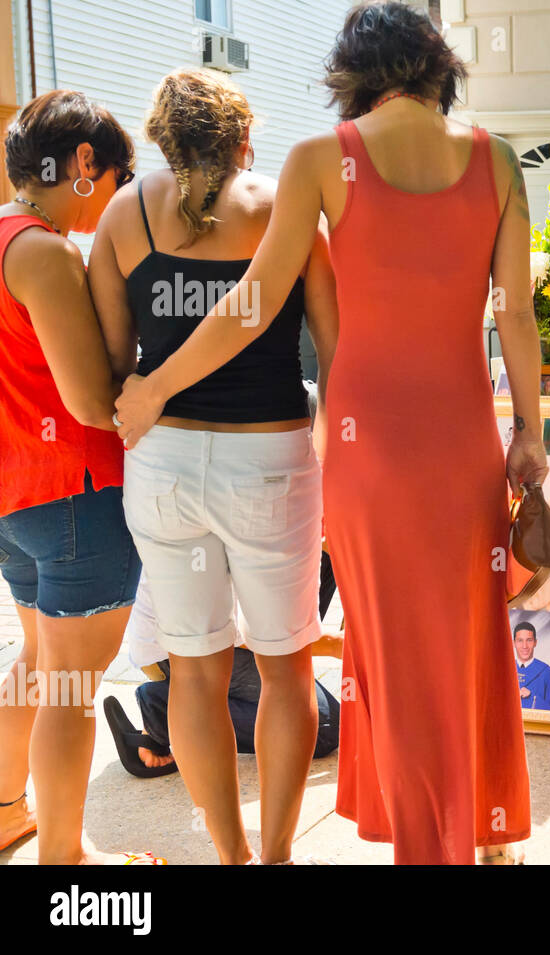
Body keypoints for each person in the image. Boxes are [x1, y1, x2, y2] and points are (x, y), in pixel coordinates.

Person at [110, 2, 542, 865]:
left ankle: (422, 838)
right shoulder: (495, 159)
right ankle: (478, 830)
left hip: (367, 438)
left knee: (386, 639)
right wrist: (530, 431)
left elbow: (255, 302)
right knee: (467, 633)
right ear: (435, 69)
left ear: (352, 75)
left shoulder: (321, 160)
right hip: (464, 434)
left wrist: (155, 384)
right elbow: (517, 313)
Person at [87, 68, 335, 866]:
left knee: (193, 671)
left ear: (164, 138)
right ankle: (276, 856)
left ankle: (228, 856)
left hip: (163, 464)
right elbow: (338, 344)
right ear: (241, 137)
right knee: (285, 670)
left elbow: (112, 358)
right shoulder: (280, 206)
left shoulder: (124, 214)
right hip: (268, 459)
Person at [0, 90, 160, 865]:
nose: (122, 202)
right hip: (74, 495)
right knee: (71, 685)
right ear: (85, 164)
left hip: (15, 495)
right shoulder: (45, 249)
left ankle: (6, 812)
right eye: (121, 179)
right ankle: (64, 861)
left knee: (38, 664)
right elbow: (92, 400)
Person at [104, 575, 341, 779]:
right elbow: (252, 631)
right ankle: (165, 706)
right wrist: (332, 645)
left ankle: (182, 700)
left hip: (214, 636)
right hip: (193, 649)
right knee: (322, 727)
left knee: (324, 553)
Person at [513, 621, 550, 712]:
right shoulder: (503, 672)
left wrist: (532, 697)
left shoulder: (549, 674)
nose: (524, 646)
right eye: (520, 640)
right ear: (514, 643)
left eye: (529, 640)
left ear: (535, 642)